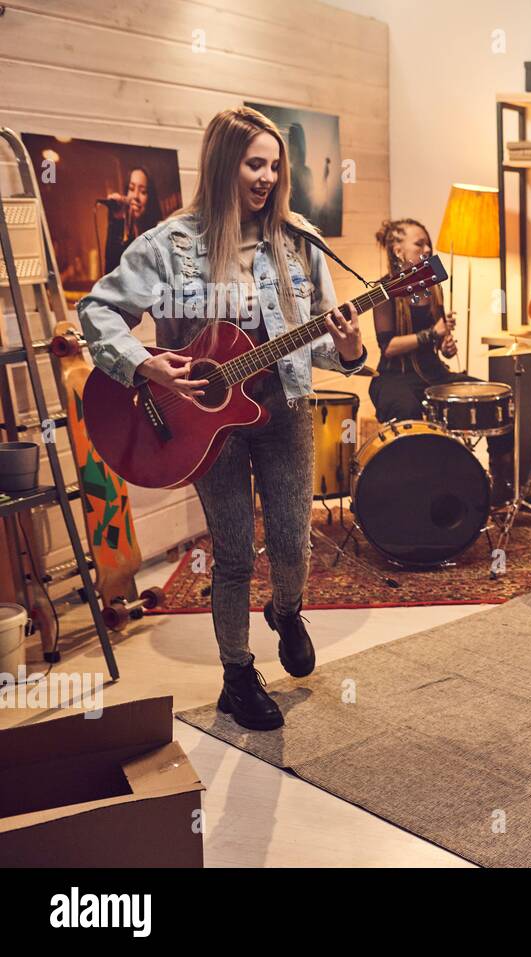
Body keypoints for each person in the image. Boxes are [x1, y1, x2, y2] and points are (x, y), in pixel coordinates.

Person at [78, 106, 368, 731]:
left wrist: (347, 351)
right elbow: (98, 311)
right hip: (203, 426)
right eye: (253, 163)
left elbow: (312, 337)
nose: (266, 177)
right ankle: (238, 675)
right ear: (222, 164)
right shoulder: (168, 245)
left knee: (292, 543)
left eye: (273, 165)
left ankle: (286, 610)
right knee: (234, 553)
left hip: (285, 410)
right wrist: (143, 365)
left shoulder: (300, 241)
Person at [371, 217, 513, 504]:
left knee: (494, 399)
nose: (427, 249)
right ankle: (416, 491)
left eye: (428, 243)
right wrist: (430, 334)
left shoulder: (432, 286)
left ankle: (499, 488)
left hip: (435, 374)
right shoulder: (383, 291)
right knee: (408, 409)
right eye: (419, 243)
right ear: (398, 251)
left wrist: (445, 344)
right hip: (395, 378)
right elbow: (388, 347)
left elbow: (439, 342)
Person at [103, 165, 162, 274]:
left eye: (143, 191)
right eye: (131, 189)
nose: (135, 196)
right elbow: (110, 272)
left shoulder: (158, 235)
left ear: (150, 199)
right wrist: (116, 221)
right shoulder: (124, 233)